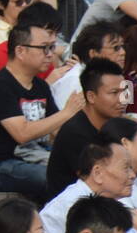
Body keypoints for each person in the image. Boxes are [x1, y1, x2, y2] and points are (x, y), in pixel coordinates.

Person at [0, 15, 84, 201]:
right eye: (44, 48)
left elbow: (57, 131)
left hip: (34, 158)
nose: (50, 54)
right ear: (21, 51)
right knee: (54, 176)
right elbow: (22, 133)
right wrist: (66, 112)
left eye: (52, 47)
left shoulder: (39, 86)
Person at [45, 59, 128, 199]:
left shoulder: (113, 127)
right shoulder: (75, 134)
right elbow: (101, 183)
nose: (122, 99)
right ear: (91, 96)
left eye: (124, 92)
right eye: (114, 93)